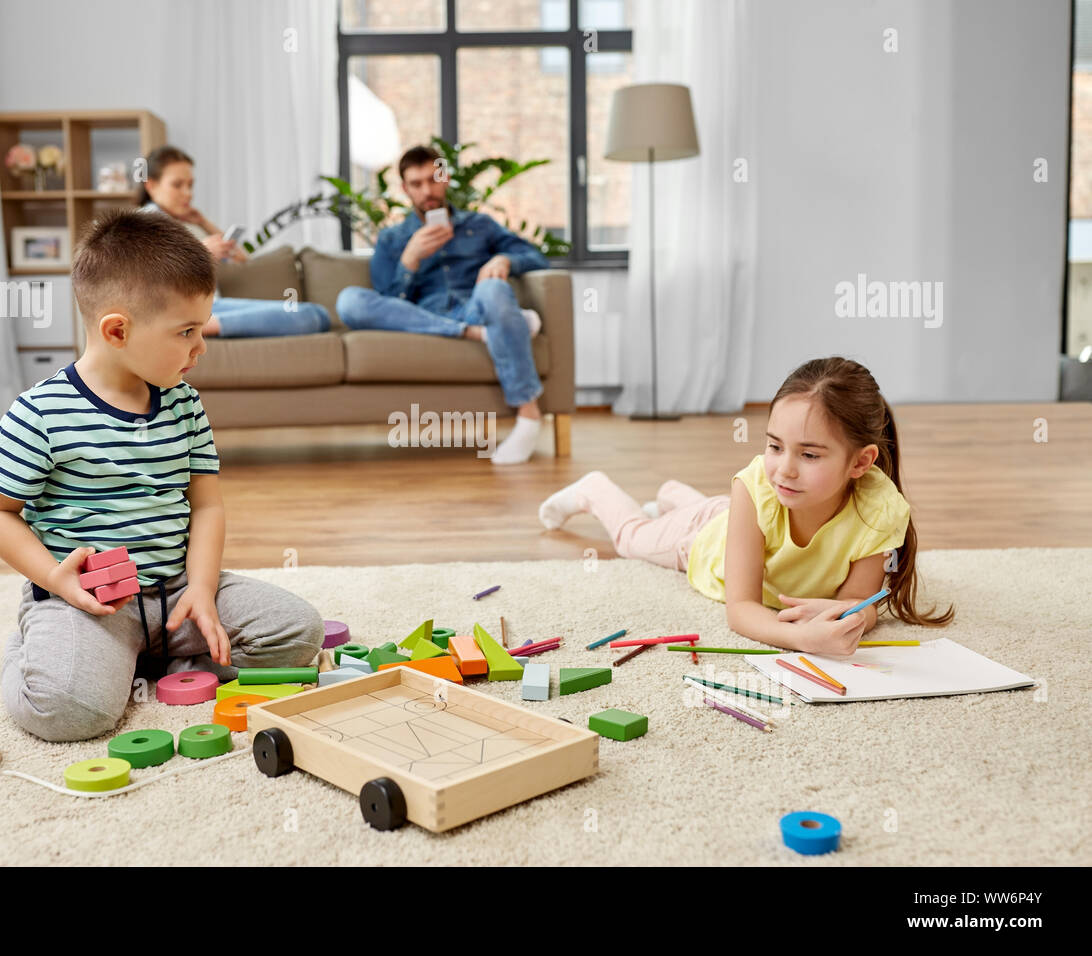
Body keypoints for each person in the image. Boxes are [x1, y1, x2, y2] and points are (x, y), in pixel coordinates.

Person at [0, 209, 325, 742]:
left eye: (200, 329)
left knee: (299, 632)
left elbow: (206, 504)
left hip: (178, 593)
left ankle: (143, 662)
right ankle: (39, 648)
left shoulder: (183, 403)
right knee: (69, 711)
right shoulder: (39, 412)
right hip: (92, 603)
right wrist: (53, 579)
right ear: (118, 329)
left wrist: (203, 589)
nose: (200, 347)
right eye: (186, 332)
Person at [537, 356, 955, 654]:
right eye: (775, 446)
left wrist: (851, 618)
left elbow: (859, 605)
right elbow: (741, 609)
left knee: (723, 510)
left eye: (809, 455)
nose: (784, 470)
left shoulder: (881, 510)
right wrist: (798, 638)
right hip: (701, 541)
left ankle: (675, 496)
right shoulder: (757, 486)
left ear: (861, 462)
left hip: (737, 519)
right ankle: (595, 489)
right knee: (633, 539)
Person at [335, 145, 550, 465]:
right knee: (349, 300)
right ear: (406, 189)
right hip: (424, 316)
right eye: (417, 184)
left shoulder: (481, 225)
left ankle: (529, 415)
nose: (427, 191)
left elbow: (536, 256)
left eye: (432, 180)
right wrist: (409, 260)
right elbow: (387, 304)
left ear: (445, 179)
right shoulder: (393, 239)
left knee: (493, 289)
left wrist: (504, 258)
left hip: (477, 304)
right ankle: (482, 332)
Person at [138, 145, 330, 338]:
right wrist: (202, 253)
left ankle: (195, 326)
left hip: (208, 307)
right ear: (151, 185)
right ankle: (188, 327)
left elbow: (241, 259)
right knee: (309, 315)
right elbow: (145, 283)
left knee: (316, 313)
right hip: (189, 310)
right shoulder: (145, 223)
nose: (188, 193)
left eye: (190, 185)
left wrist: (203, 222)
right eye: (177, 185)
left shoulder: (179, 224)